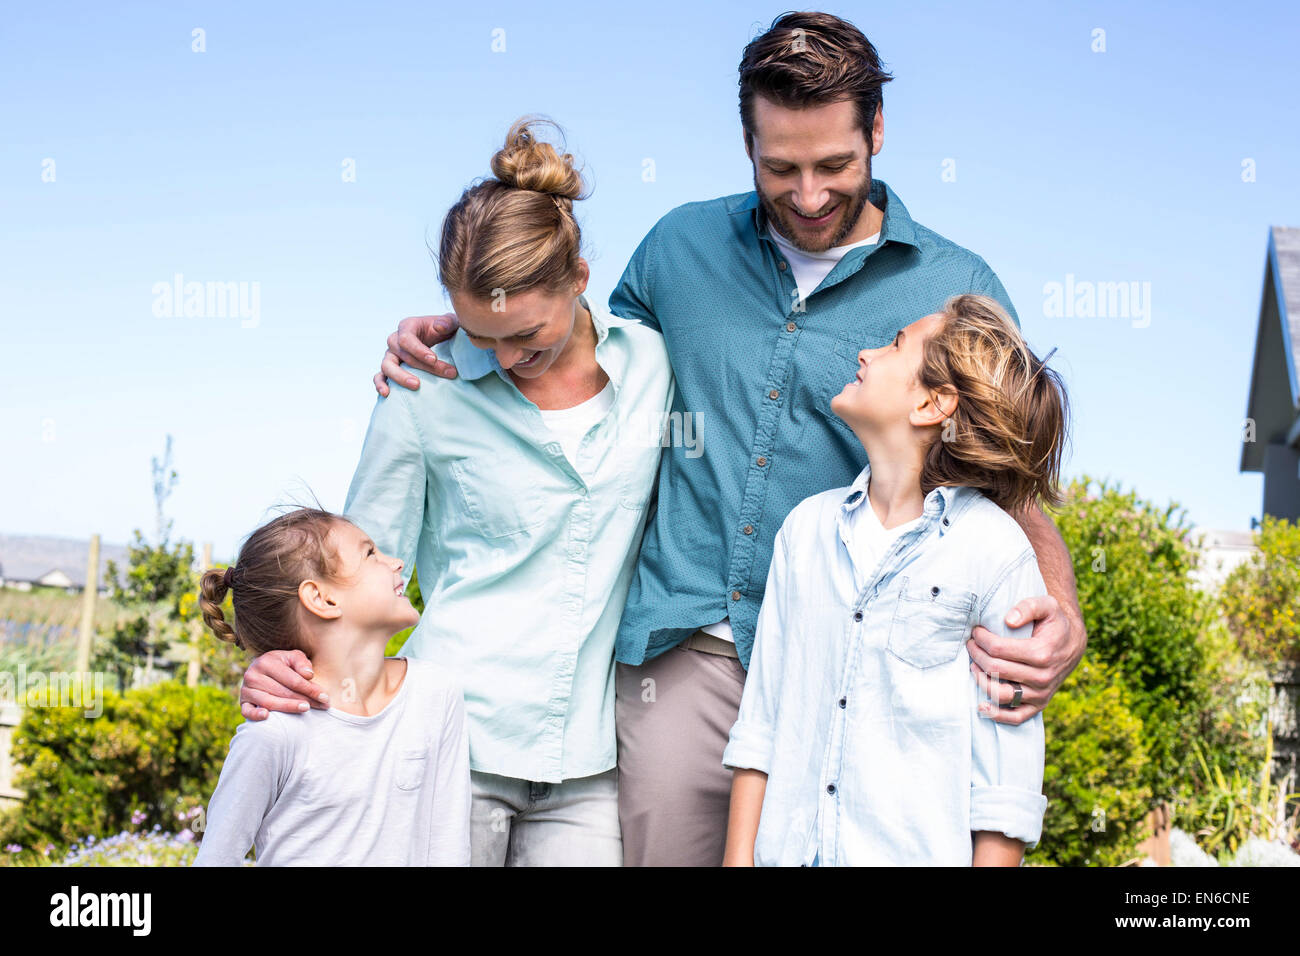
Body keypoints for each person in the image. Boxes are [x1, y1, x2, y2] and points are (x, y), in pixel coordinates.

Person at [370, 12, 1088, 867]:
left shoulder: (956, 288)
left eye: (835, 165)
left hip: (857, 662)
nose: (810, 194)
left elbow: (1007, 479)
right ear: (745, 141)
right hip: (683, 658)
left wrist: (1062, 608)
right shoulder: (680, 246)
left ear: (880, 132)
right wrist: (481, 319)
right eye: (780, 167)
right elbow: (583, 353)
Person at [235, 117, 676, 866]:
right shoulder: (422, 388)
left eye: (525, 336)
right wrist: (283, 662)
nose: (503, 358)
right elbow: (353, 566)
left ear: (578, 278)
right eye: (480, 335)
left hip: (588, 763)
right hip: (440, 748)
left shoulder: (655, 372)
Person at [723, 294, 1065, 866]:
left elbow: (1005, 784)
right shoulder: (806, 529)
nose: (866, 353)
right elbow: (762, 720)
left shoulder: (995, 550)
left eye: (895, 345)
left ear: (934, 403)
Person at [192, 507, 471, 866]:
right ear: (322, 599)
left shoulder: (436, 695)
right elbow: (216, 858)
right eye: (370, 553)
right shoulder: (274, 734)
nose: (397, 563)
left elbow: (448, 848)